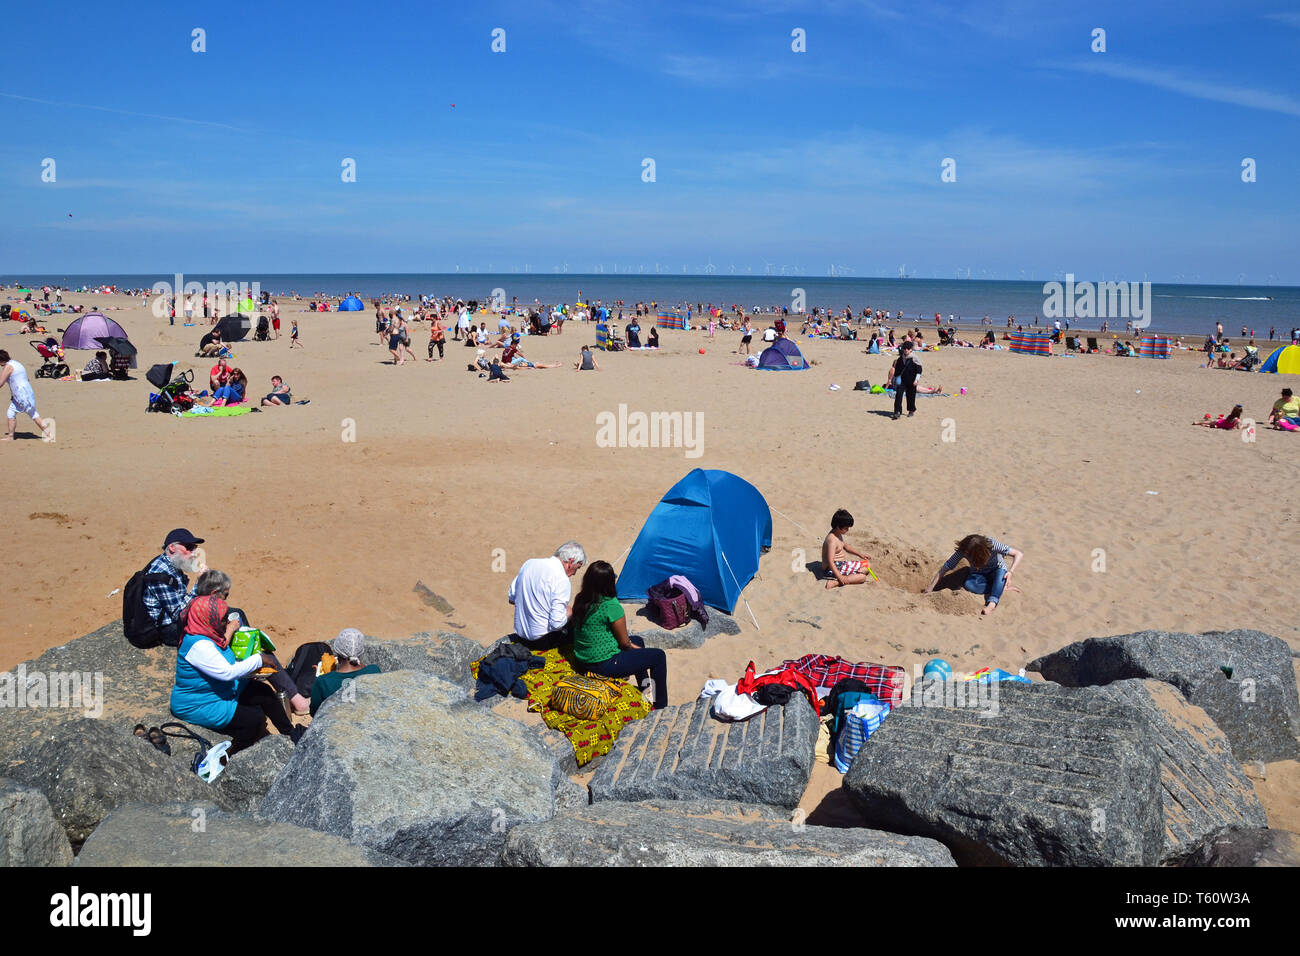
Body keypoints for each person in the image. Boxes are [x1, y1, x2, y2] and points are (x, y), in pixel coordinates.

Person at [169, 593, 304, 754]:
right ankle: (234, 754)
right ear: (207, 620)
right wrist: (259, 659)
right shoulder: (198, 646)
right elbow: (227, 672)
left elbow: (222, 653)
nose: (226, 621)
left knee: (263, 691)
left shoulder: (206, 632)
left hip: (218, 690)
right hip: (200, 703)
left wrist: (231, 629)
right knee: (253, 720)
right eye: (222, 619)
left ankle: (290, 733)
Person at [193, 569, 310, 713]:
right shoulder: (213, 618)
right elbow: (217, 647)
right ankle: (297, 700)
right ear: (214, 594)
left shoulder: (192, 611)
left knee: (243, 623)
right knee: (265, 656)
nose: (226, 599)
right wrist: (230, 630)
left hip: (211, 664)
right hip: (223, 667)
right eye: (226, 594)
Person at [569, 560, 667, 710]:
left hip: (583, 659)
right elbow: (625, 643)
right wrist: (640, 651)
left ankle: (645, 690)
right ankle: (661, 706)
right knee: (658, 656)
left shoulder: (581, 598)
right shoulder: (611, 605)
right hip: (603, 664)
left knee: (639, 641)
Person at [507, 541, 586, 649]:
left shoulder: (529, 564)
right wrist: (570, 613)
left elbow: (512, 598)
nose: (575, 573)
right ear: (571, 562)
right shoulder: (562, 579)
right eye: (577, 567)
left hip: (521, 636)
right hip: (542, 641)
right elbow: (556, 624)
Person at [923, 534, 1023, 615]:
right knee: (969, 585)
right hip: (978, 574)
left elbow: (1018, 554)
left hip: (996, 570)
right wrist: (931, 587)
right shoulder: (963, 550)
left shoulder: (992, 544)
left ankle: (992, 603)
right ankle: (999, 587)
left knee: (1002, 574)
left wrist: (1011, 572)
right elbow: (946, 567)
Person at [139, 528, 207, 647]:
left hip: (174, 618)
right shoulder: (160, 577)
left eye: (194, 548)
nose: (194, 553)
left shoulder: (171, 563)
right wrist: (198, 584)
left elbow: (179, 598)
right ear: (172, 548)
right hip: (167, 629)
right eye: (189, 547)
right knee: (214, 630)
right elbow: (178, 614)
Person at [310, 628, 381, 716]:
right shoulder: (374, 671)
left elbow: (314, 713)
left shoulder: (323, 681)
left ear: (337, 652)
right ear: (361, 651)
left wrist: (327, 675)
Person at [0, 350, 51, 441]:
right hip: (24, 393)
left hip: (22, 395)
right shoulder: (16, 363)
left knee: (33, 414)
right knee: (11, 413)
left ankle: (49, 434)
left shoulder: (8, 367)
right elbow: (25, 379)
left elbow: (0, 383)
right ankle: (11, 436)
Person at [822, 509, 872, 589]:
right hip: (832, 569)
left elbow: (846, 546)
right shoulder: (832, 540)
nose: (848, 530)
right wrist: (840, 577)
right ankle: (836, 582)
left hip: (841, 564)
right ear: (838, 527)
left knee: (868, 564)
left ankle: (853, 574)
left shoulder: (837, 533)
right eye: (846, 528)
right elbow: (830, 561)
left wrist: (860, 555)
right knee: (862, 578)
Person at [888, 341, 922, 419]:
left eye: (908, 348)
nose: (906, 350)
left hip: (912, 381)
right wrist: (895, 378)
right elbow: (897, 370)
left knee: (910, 396)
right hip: (902, 381)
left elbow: (919, 370)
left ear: (911, 350)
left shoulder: (915, 358)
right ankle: (897, 411)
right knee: (898, 395)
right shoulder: (900, 358)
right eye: (905, 348)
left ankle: (911, 410)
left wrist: (916, 380)